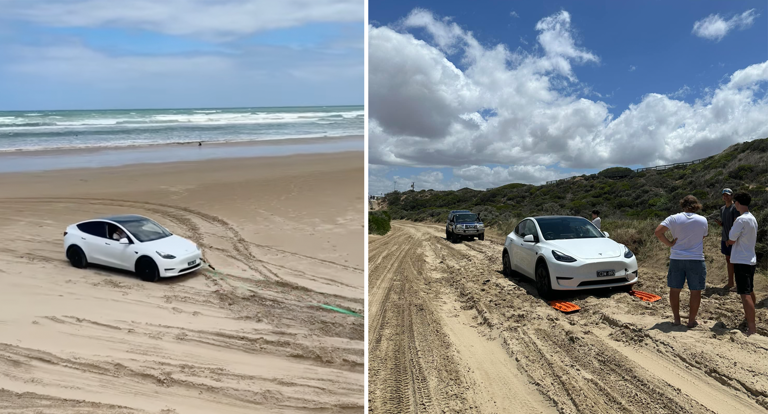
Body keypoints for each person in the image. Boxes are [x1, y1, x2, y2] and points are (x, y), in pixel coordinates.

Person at [654, 195, 708, 328]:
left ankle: (677, 319)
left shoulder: (673, 218)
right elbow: (703, 236)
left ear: (682, 204)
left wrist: (670, 243)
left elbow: (658, 232)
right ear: (696, 205)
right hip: (696, 258)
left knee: (675, 289)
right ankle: (691, 321)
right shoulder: (702, 220)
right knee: (695, 291)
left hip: (677, 258)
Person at [727, 192, 758, 336]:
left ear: (737, 203)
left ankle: (752, 328)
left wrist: (727, 242)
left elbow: (732, 238)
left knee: (744, 294)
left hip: (741, 259)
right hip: (750, 259)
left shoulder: (740, 220)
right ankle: (749, 317)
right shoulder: (753, 219)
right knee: (750, 290)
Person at [716, 188, 740, 290]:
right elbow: (725, 224)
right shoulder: (722, 209)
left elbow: (736, 224)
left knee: (737, 261)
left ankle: (739, 284)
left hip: (732, 239)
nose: (725, 197)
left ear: (731, 196)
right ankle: (731, 282)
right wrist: (720, 223)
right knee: (728, 260)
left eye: (727, 195)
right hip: (725, 238)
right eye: (724, 195)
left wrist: (731, 238)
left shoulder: (735, 208)